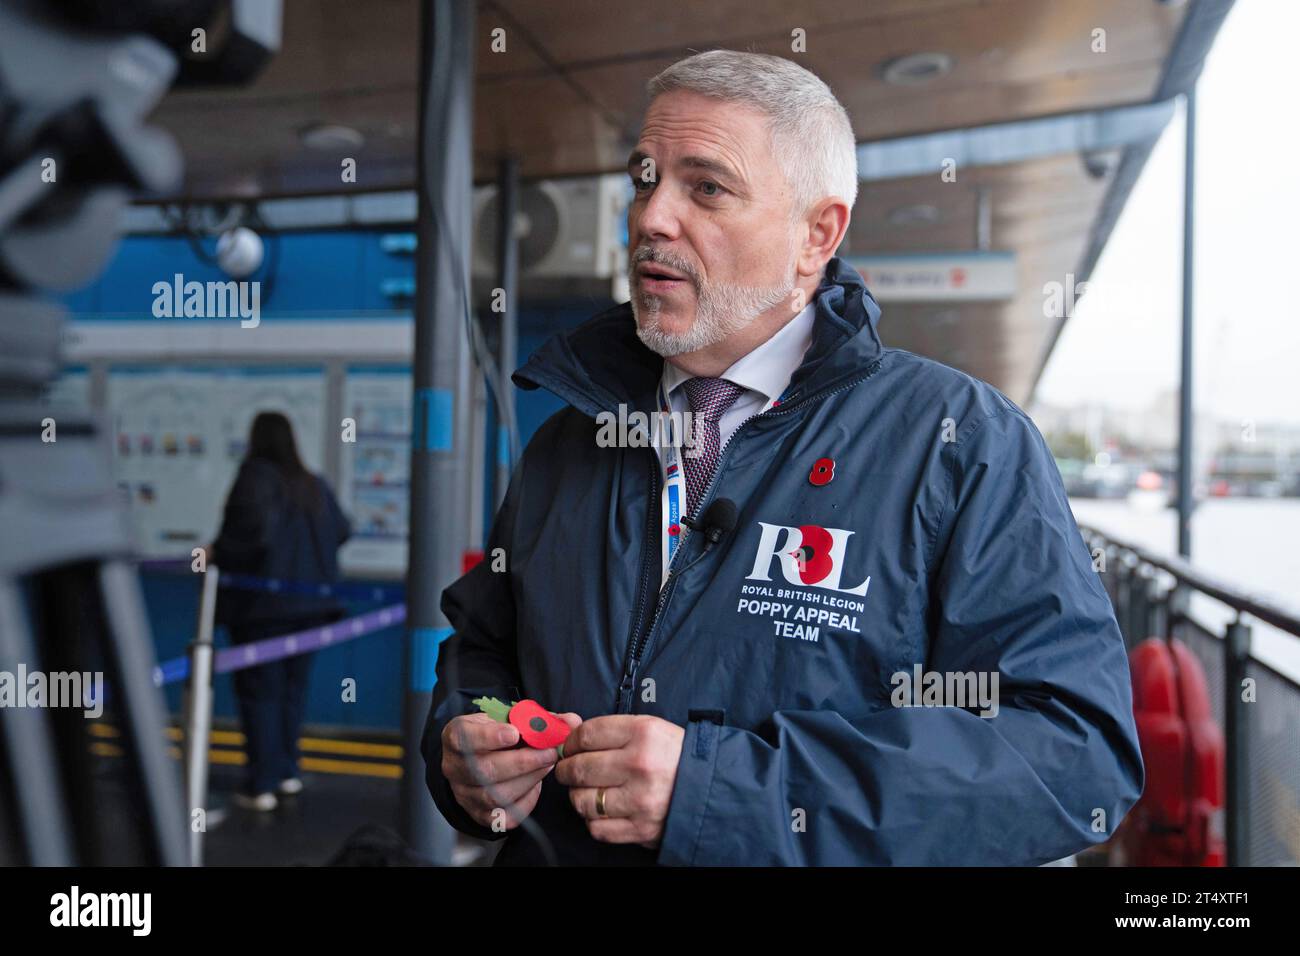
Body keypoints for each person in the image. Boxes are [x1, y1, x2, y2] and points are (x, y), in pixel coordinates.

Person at [422, 50, 1144, 865]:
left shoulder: (962, 442)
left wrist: (718, 790)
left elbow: (1073, 754)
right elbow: (484, 651)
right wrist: (466, 742)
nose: (653, 217)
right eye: (645, 179)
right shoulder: (572, 437)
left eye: (707, 188)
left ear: (817, 235)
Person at [211, 411, 352, 811]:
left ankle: (262, 784)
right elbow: (343, 529)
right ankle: (287, 771)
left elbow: (250, 536)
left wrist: (216, 552)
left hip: (263, 610)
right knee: (291, 693)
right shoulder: (311, 483)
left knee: (260, 695)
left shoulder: (255, 477)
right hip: (310, 609)